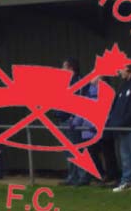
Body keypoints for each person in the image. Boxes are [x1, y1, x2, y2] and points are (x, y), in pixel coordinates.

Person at [57, 58, 88, 186]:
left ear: (71, 68)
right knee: (68, 151)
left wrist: (73, 118)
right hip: (62, 120)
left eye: (64, 67)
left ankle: (83, 177)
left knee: (77, 149)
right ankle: (72, 177)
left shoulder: (79, 81)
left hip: (73, 122)